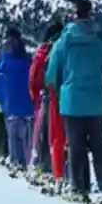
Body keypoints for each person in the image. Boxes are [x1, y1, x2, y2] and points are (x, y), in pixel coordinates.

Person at [45, 0, 102, 204]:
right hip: (96, 100)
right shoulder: (97, 39)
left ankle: (79, 188)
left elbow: (51, 72)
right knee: (99, 144)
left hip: (72, 102)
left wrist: (61, 86)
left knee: (76, 146)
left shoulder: (64, 42)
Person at [29, 17, 67, 187]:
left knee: (45, 135)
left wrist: (35, 96)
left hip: (47, 97)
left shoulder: (43, 51)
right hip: (66, 95)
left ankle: (44, 169)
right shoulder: (66, 48)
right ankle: (67, 173)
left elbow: (33, 78)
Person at [0, 27, 35, 172]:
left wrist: (3, 104)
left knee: (14, 139)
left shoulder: (2, 60)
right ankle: (30, 165)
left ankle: (17, 164)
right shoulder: (28, 58)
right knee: (28, 141)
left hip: (11, 106)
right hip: (29, 106)